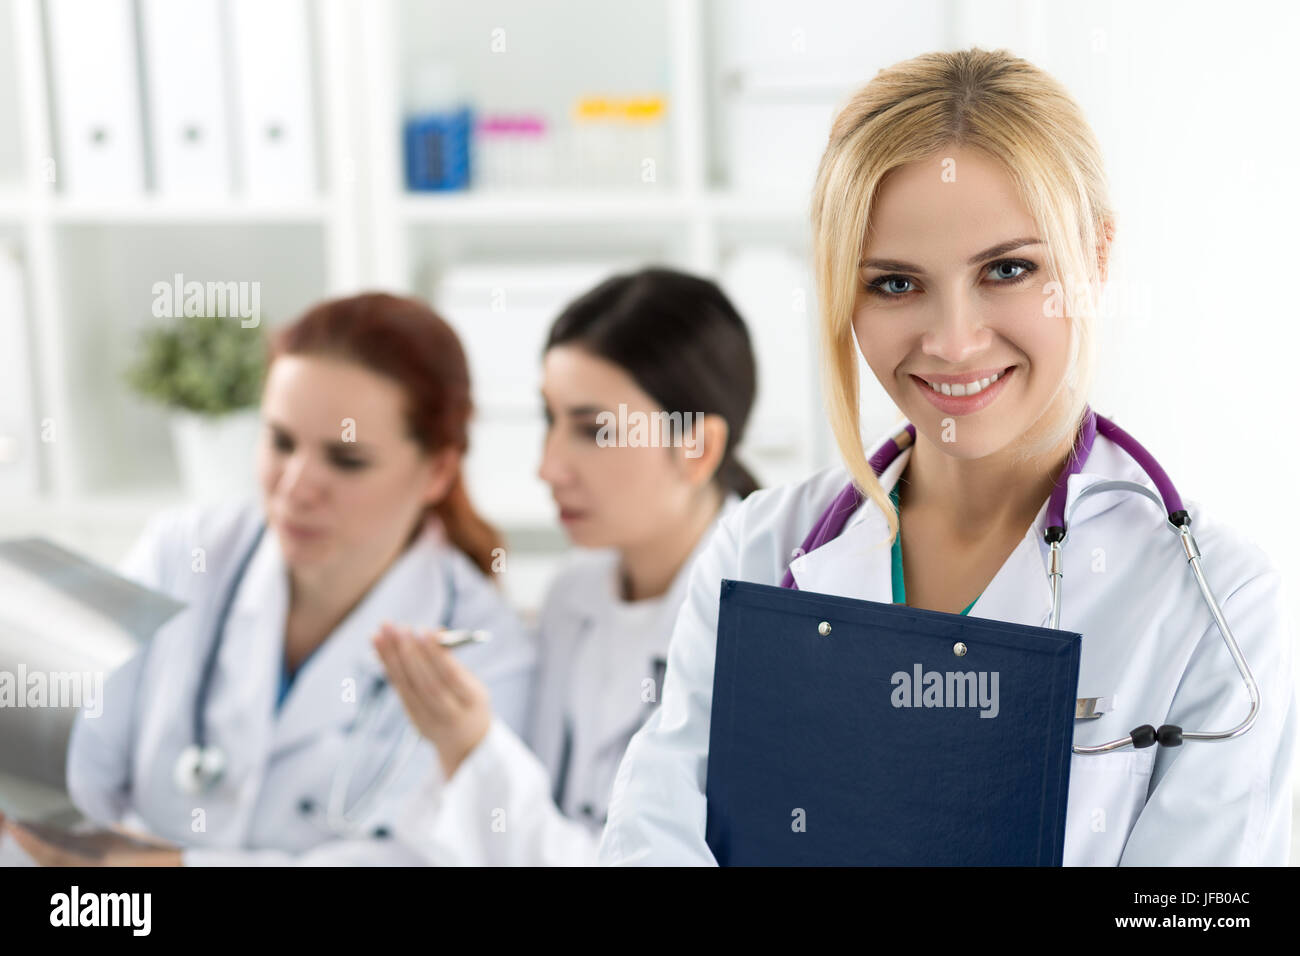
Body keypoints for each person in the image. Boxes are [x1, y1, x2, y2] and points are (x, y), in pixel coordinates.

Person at [596, 48, 1297, 866]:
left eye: (1008, 270)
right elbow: (652, 843)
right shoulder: (761, 551)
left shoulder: (1213, 601)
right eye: (895, 283)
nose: (955, 341)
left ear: (1097, 259)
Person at [1, 293, 536, 866]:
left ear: (437, 471)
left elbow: (429, 860)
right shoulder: (188, 553)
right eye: (281, 442)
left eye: (346, 459)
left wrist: (173, 867)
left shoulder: (485, 647)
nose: (296, 487)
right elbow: (75, 757)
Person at [373, 267, 760, 865]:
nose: (548, 467)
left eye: (594, 430)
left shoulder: (768, 620)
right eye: (549, 420)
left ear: (697, 449)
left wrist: (474, 749)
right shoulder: (573, 595)